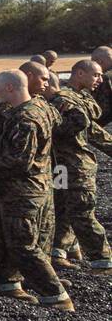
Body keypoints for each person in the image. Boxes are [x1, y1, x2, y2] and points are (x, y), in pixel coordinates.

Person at [0, 70, 71, 309]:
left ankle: (55, 294)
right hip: (16, 188)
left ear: (10, 88)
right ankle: (2, 281)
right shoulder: (42, 107)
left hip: (23, 191)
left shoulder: (25, 119)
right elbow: (58, 124)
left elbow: (19, 162)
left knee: (23, 244)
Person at [48, 59, 112, 272]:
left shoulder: (79, 97)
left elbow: (92, 130)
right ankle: (101, 257)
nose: (100, 80)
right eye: (96, 75)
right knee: (80, 209)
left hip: (65, 166)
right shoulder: (64, 100)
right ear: (80, 74)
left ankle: (58, 249)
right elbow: (76, 126)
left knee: (64, 207)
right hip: (70, 166)